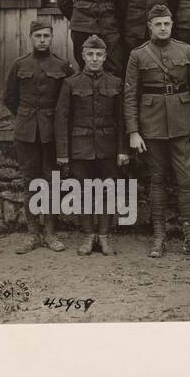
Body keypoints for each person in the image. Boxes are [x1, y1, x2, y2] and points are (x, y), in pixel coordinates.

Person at [124, 4, 190, 258]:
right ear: (149, 25)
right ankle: (159, 238)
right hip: (151, 127)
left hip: (184, 126)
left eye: (167, 23)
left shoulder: (186, 50)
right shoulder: (138, 55)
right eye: (158, 23)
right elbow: (130, 96)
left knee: (187, 181)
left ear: (172, 25)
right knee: (157, 181)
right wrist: (133, 131)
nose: (163, 28)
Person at [3, 17, 72, 253]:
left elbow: (67, 103)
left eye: (46, 36)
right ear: (31, 38)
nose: (42, 40)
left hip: (51, 133)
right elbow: (9, 98)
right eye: (38, 36)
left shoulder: (62, 66)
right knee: (30, 182)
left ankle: (50, 234)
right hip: (26, 133)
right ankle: (32, 234)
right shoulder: (19, 64)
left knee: (51, 182)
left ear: (52, 38)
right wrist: (25, 117)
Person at [56, 35, 127, 257]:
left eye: (99, 55)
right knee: (82, 192)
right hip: (80, 147)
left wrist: (123, 150)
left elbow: (122, 119)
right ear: (83, 56)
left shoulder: (115, 83)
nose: (94, 59)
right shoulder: (71, 83)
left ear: (105, 57)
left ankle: (104, 236)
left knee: (108, 190)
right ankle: (88, 236)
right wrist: (63, 153)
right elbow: (62, 119)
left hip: (107, 147)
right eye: (90, 55)